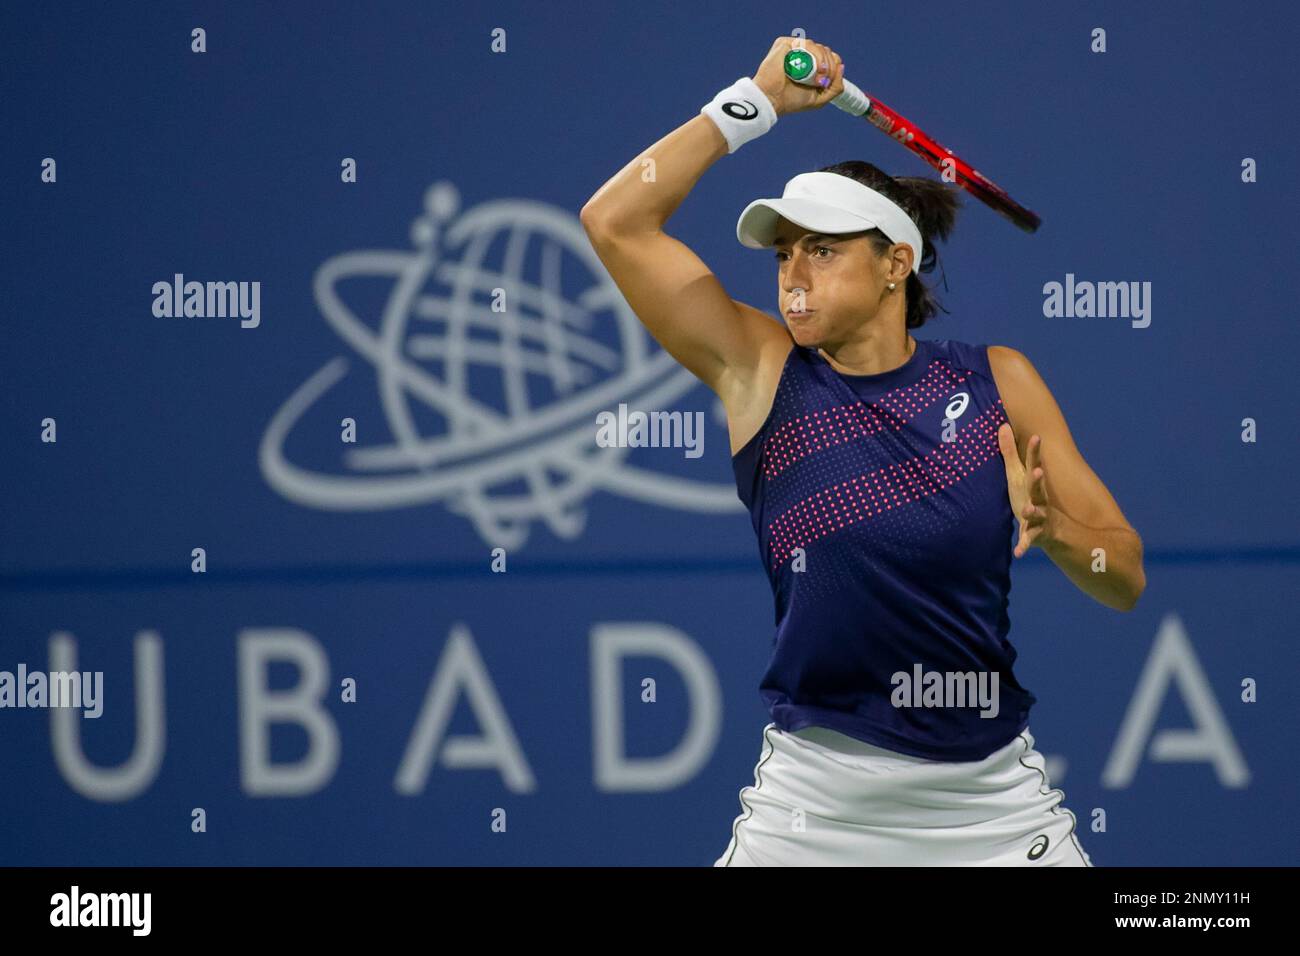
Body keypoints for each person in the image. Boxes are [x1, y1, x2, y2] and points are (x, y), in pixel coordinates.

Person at [580, 36, 1145, 866]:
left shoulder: (999, 381)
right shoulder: (760, 369)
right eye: (783, 254)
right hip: (811, 815)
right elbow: (614, 221)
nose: (793, 274)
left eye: (823, 249)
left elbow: (1124, 577)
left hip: (991, 813)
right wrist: (756, 102)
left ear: (895, 264)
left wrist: (1056, 531)